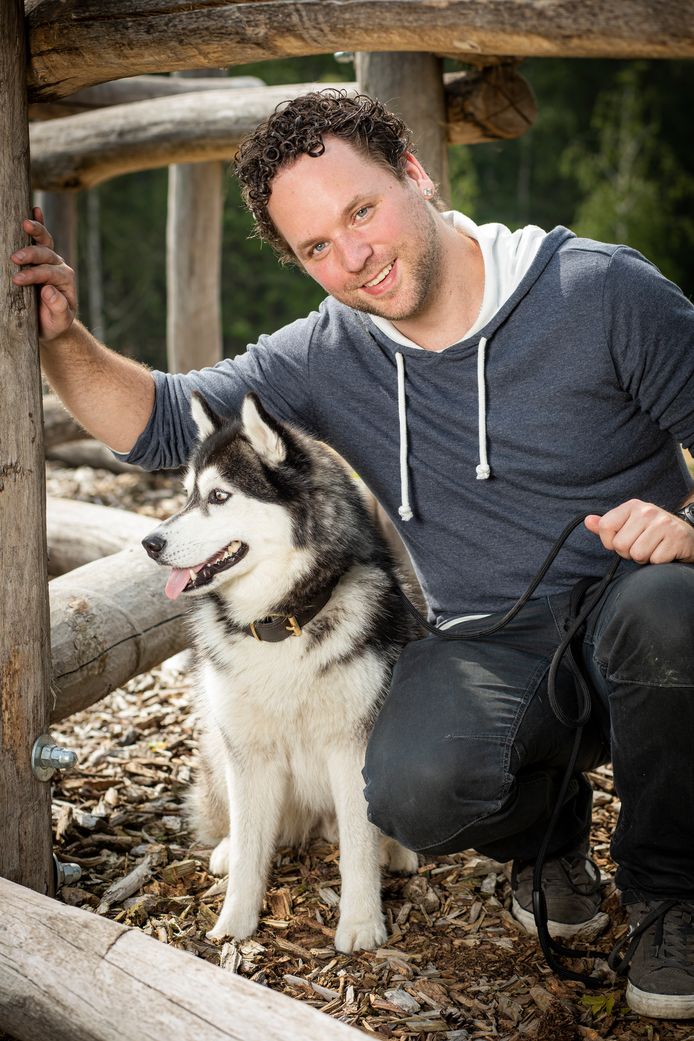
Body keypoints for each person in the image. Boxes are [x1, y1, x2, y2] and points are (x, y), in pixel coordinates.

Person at [12, 89, 694, 1019]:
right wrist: (62, 338)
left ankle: (670, 895)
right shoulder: (331, 352)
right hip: (491, 639)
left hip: (638, 608)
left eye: (362, 211)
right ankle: (550, 836)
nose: (354, 257)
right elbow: (166, 421)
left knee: (672, 611)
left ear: (416, 174)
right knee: (413, 789)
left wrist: (689, 531)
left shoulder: (601, 291)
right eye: (317, 248)